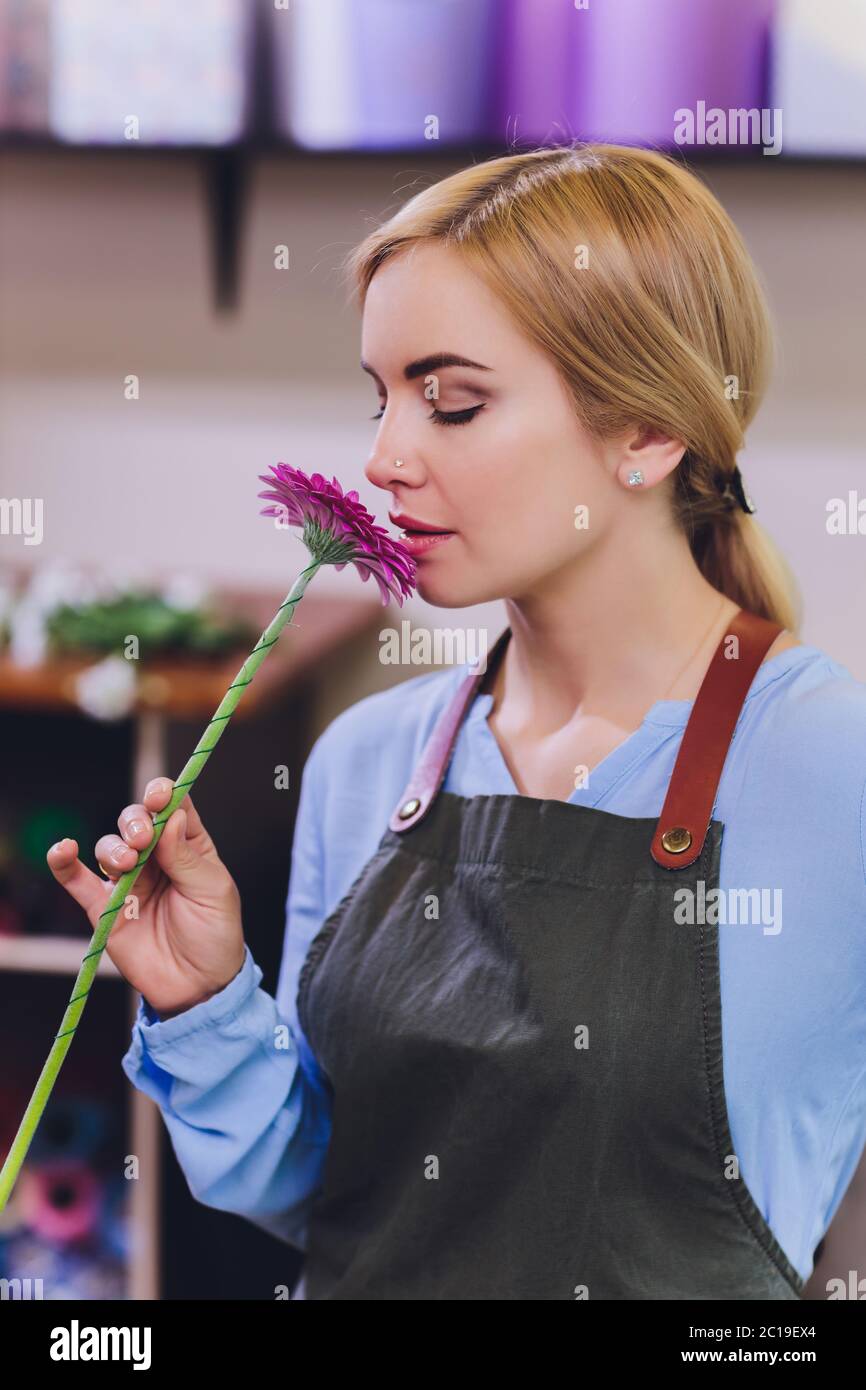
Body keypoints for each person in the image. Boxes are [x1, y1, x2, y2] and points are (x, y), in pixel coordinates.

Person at [48, 144, 866, 1300]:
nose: (383, 461)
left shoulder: (829, 770)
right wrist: (206, 1003)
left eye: (452, 403)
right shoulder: (366, 765)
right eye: (379, 399)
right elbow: (331, 1194)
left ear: (644, 429)